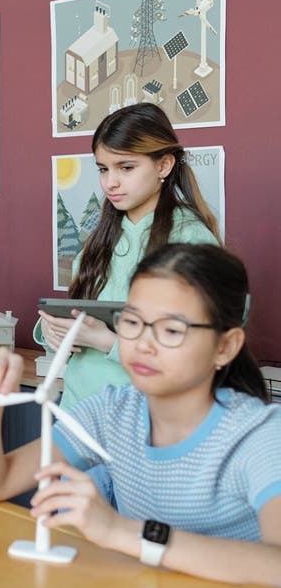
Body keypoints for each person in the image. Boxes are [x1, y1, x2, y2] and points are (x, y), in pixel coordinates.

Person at [0, 244, 281, 586]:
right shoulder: (113, 411)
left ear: (226, 347)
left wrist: (121, 532)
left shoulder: (260, 433)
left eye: (171, 330)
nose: (142, 343)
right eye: (131, 321)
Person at [36, 103, 221, 411]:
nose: (111, 182)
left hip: (148, 419)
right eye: (103, 169)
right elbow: (81, 313)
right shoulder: (99, 240)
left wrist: (107, 342)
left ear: (163, 166)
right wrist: (53, 331)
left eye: (126, 167)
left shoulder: (191, 239)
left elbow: (200, 348)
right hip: (78, 412)